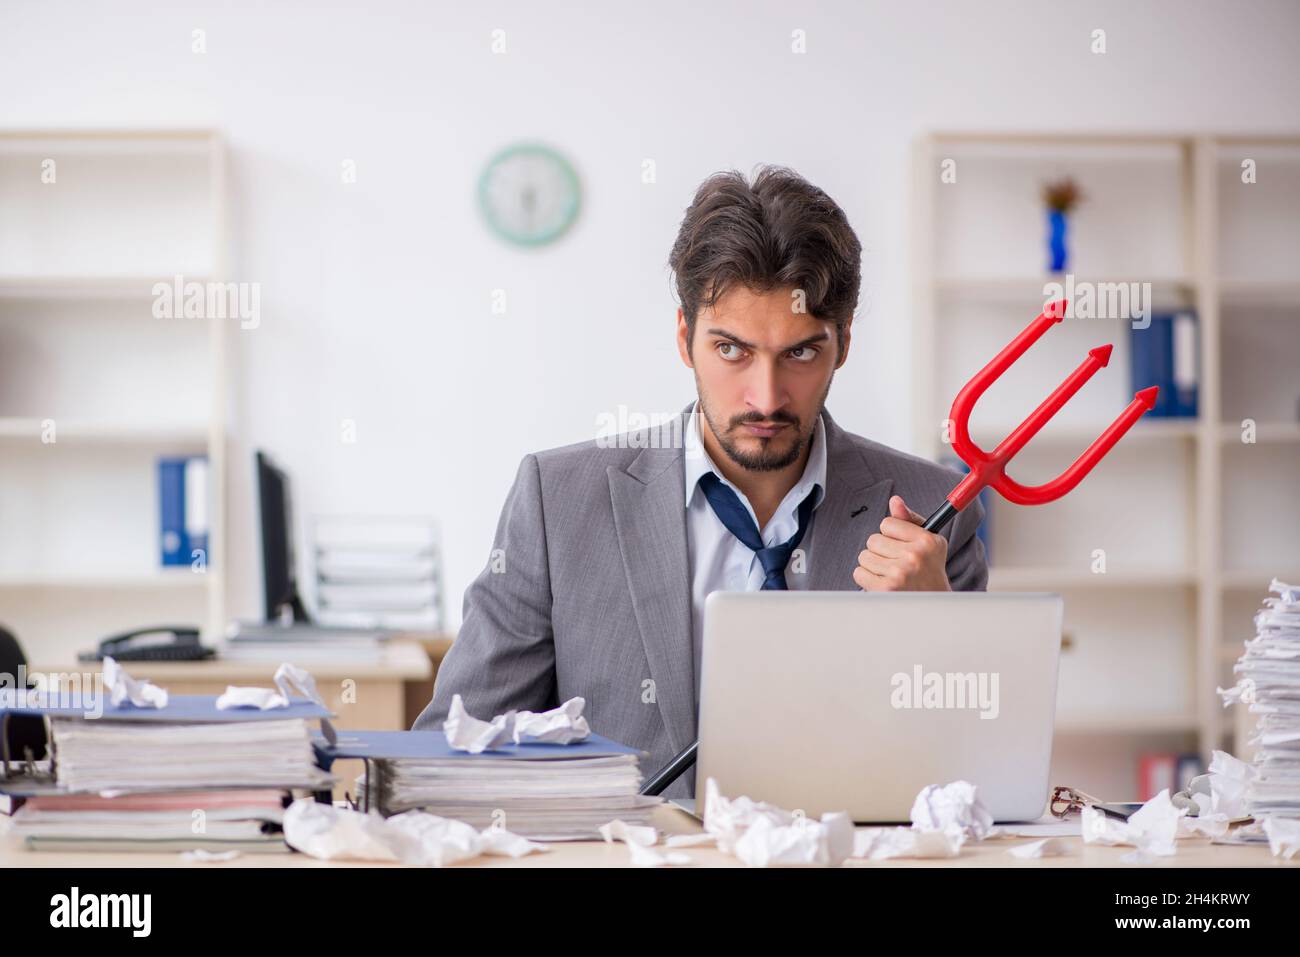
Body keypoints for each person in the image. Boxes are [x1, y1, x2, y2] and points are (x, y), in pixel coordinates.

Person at [414, 165, 987, 796]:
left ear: (843, 344)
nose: (765, 399)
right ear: (685, 339)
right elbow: (452, 753)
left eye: (800, 352)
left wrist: (936, 633)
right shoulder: (558, 500)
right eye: (732, 350)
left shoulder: (935, 512)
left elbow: (969, 785)